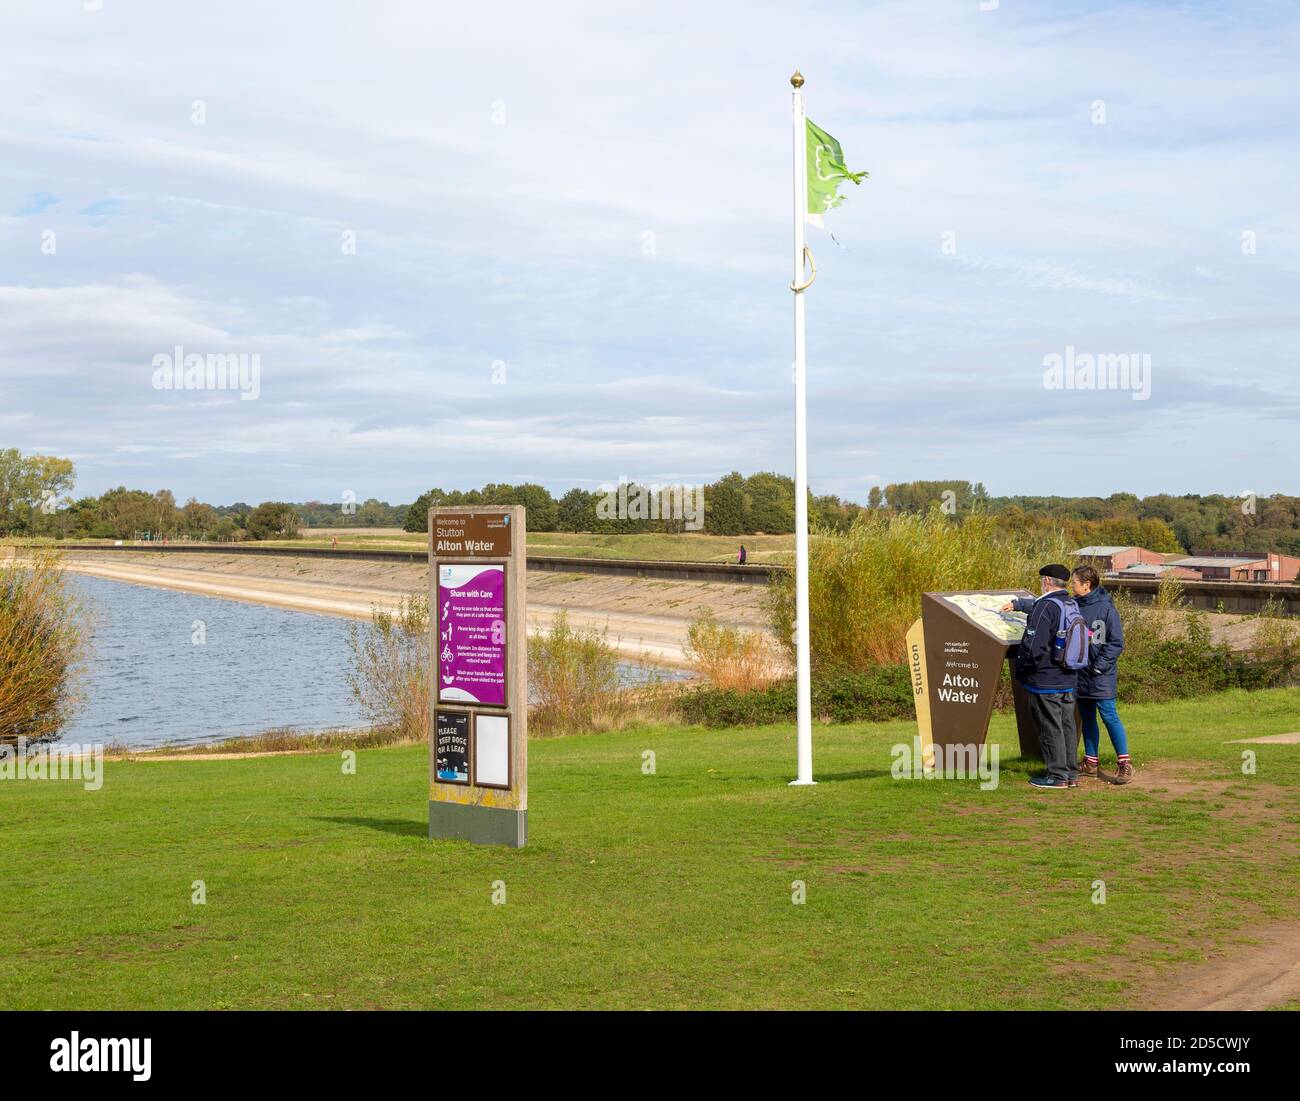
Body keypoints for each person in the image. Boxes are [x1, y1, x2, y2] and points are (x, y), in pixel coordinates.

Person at [1001, 564, 1079, 790]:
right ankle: (1071, 773)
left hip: (1045, 679)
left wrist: (1022, 669)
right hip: (1067, 676)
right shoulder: (1070, 603)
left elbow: (1034, 645)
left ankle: (1056, 776)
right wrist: (1019, 604)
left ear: (1046, 581)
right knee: (1067, 726)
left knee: (1050, 727)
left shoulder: (1045, 606)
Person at [1070, 564, 1132, 784]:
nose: (1072, 586)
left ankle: (1124, 764)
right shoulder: (1073, 605)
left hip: (1101, 675)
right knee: (1087, 718)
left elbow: (1116, 643)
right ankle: (1090, 762)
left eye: (1074, 583)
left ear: (1086, 585)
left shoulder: (1107, 608)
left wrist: (1099, 666)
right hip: (1080, 673)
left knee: (1109, 716)